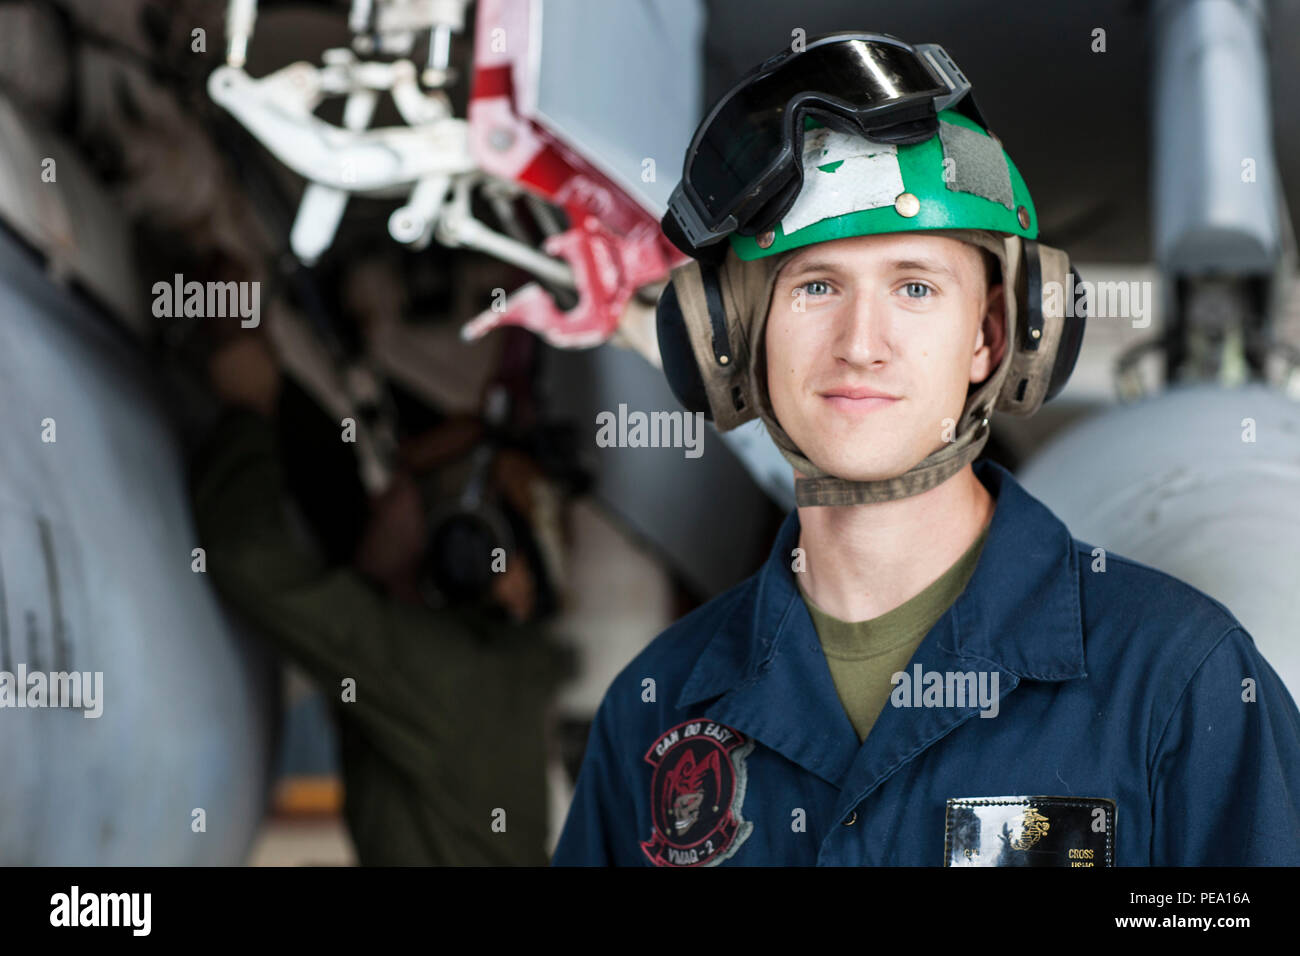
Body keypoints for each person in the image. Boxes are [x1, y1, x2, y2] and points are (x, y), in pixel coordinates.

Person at [552, 31, 1300, 866]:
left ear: (993, 337)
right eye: (816, 286)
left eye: (915, 287)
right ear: (730, 339)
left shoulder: (1177, 680)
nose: (861, 344)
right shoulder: (658, 712)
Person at [193, 333, 575, 865]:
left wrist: (247, 406)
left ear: (455, 549)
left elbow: (247, 556)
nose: (382, 498)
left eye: (408, 484)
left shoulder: (448, 671)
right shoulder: (491, 669)